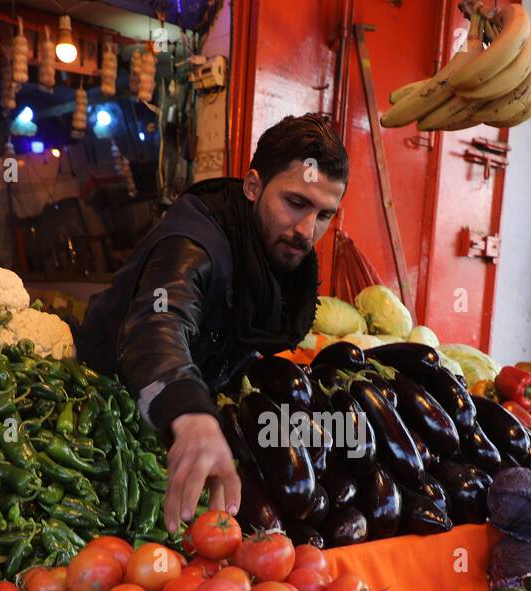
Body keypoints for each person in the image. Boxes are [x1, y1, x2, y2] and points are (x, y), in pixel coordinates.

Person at [76, 114, 348, 531]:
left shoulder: (276, 254)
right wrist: (192, 415)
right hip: (97, 419)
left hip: (170, 436)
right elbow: (158, 322)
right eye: (295, 203)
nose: (306, 231)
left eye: (325, 215)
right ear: (253, 186)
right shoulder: (192, 244)